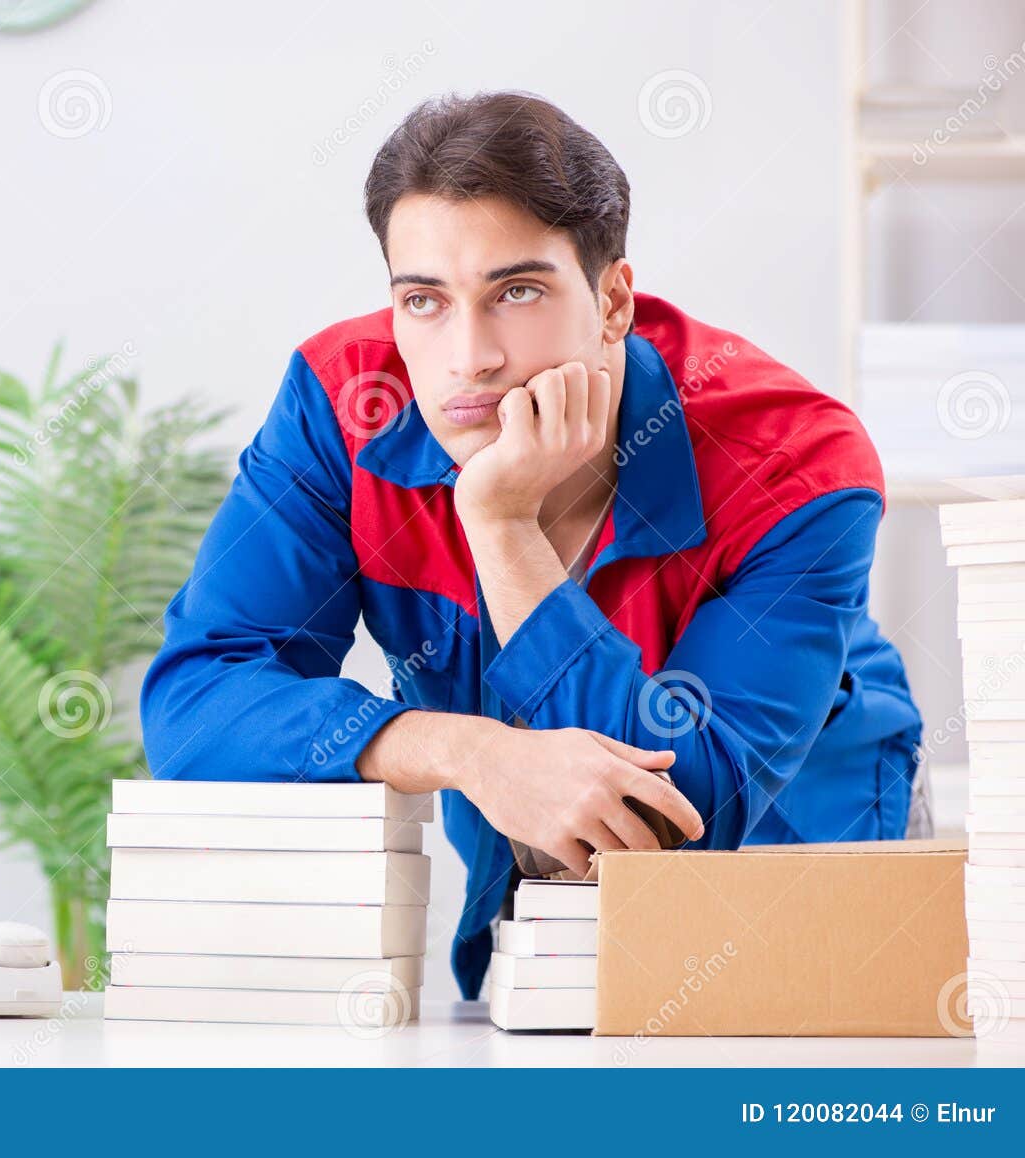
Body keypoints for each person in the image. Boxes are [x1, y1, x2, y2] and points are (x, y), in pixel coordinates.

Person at [139, 91, 925, 999]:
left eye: (516, 292)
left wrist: (503, 526)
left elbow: (681, 823)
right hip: (529, 830)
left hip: (800, 804)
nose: (468, 356)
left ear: (613, 300)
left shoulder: (798, 461)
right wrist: (472, 753)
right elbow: (197, 705)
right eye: (424, 300)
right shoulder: (343, 404)